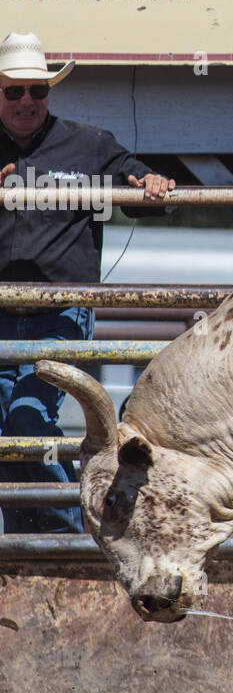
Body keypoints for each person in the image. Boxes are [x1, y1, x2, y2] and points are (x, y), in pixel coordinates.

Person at [0, 32, 175, 533]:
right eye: (15, 92)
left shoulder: (90, 144)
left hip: (60, 311)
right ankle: (29, 549)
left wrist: (154, 186)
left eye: (37, 90)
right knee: (8, 430)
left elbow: (144, 184)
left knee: (27, 422)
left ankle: (69, 540)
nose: (27, 101)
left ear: (49, 93)